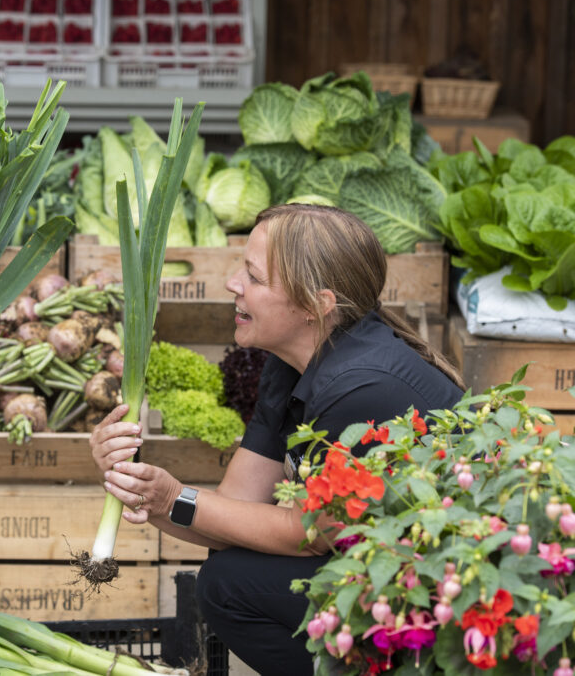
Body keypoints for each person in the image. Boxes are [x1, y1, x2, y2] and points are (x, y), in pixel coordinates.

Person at [90, 204, 465, 675]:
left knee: (230, 583)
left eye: (253, 275)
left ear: (316, 304)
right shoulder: (291, 362)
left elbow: (308, 535)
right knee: (230, 565)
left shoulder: (361, 387)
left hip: (448, 592)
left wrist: (172, 496)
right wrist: (146, 490)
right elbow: (233, 508)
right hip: (389, 567)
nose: (232, 283)